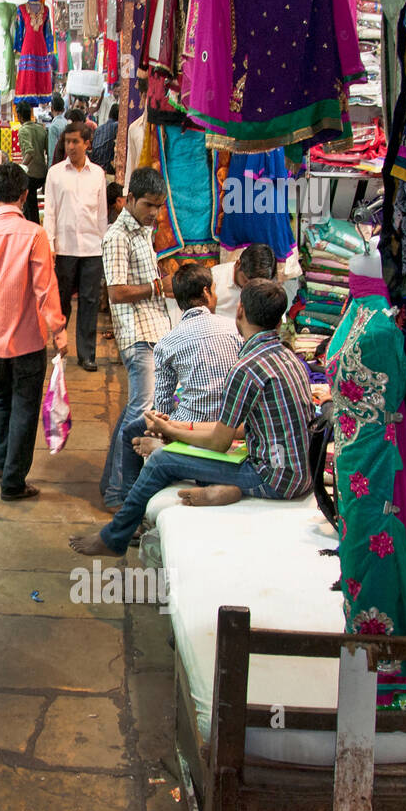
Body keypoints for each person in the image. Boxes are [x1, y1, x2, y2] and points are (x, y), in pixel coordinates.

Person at [71, 279, 314, 556]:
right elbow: (242, 427)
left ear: (240, 311)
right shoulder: (289, 357)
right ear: (279, 321)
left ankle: (115, 537)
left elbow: (219, 442)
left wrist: (171, 432)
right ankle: (225, 487)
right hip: (299, 475)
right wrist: (177, 426)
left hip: (273, 478)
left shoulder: (247, 367)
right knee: (164, 447)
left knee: (162, 461)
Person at [0, 163, 68, 501]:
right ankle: (13, 481)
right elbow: (45, 289)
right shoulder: (35, 235)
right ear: (25, 195)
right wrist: (59, 331)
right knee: (24, 404)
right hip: (27, 340)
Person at [119, 264, 242, 498]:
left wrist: (165, 429)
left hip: (191, 424)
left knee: (130, 432)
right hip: (231, 424)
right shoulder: (234, 329)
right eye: (214, 290)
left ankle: (128, 497)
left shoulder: (167, 342)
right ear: (206, 292)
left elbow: (162, 407)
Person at [99, 167, 173, 508]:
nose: (154, 212)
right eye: (148, 205)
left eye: (158, 205)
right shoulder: (118, 236)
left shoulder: (143, 230)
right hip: (137, 334)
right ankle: (119, 493)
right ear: (129, 199)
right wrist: (158, 286)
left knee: (135, 411)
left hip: (151, 330)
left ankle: (111, 484)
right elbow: (116, 292)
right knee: (140, 416)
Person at [43, 120, 108, 373]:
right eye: (67, 141)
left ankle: (87, 354)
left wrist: (103, 243)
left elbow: (101, 213)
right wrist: (50, 244)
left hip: (92, 248)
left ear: (87, 144)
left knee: (90, 302)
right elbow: (50, 212)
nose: (70, 146)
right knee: (61, 301)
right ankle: (60, 348)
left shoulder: (98, 174)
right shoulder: (55, 173)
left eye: (75, 142)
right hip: (64, 248)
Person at [212, 242, 278, 326]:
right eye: (246, 282)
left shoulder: (268, 286)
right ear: (238, 264)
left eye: (256, 286)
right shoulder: (214, 278)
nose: (250, 288)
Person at [17, 99, 48, 225]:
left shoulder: (23, 130)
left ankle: (31, 227)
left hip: (31, 175)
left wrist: (21, 169)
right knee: (32, 205)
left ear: (19, 116)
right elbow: (47, 149)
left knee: (29, 206)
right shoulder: (41, 129)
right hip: (42, 173)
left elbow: (29, 152)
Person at [91, 102, 120, 171]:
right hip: (106, 166)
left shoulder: (99, 128)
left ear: (109, 114)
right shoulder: (118, 126)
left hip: (94, 163)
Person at [45, 93, 68, 162]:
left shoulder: (53, 127)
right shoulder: (67, 123)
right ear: (63, 110)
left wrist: (51, 166)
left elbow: (52, 151)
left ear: (51, 109)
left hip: (57, 163)